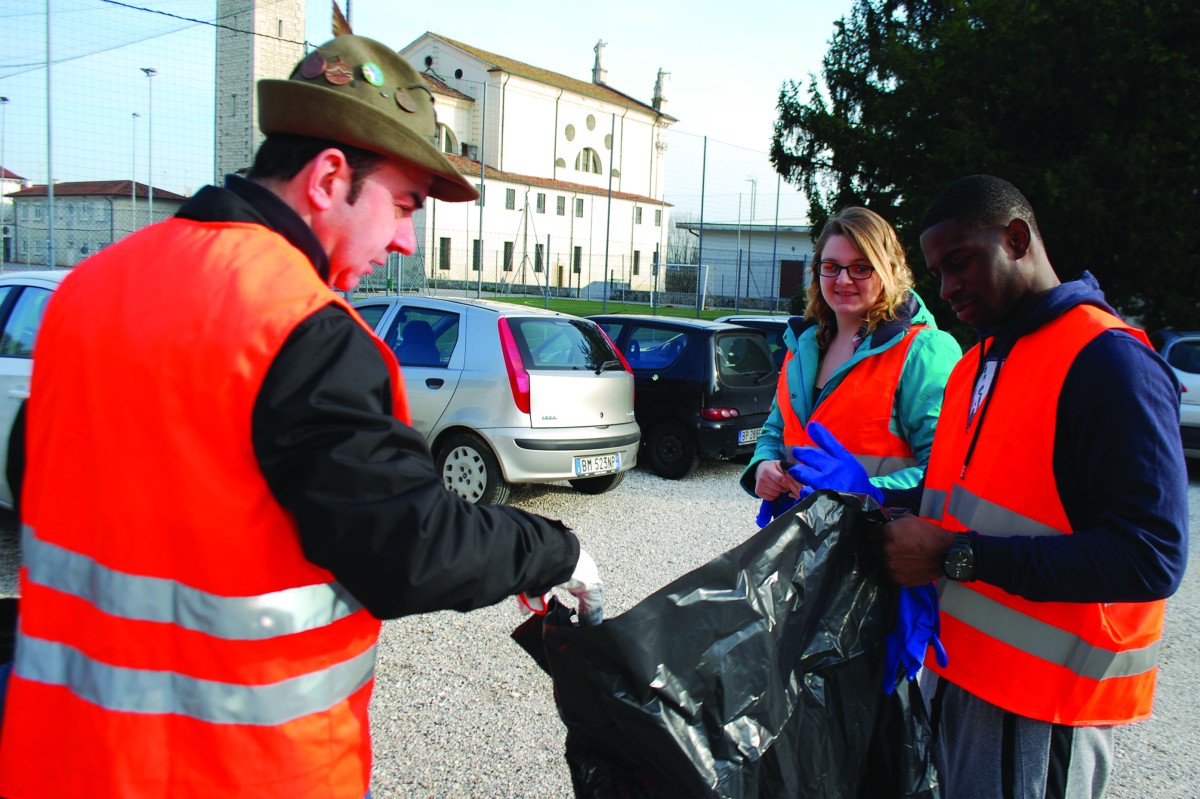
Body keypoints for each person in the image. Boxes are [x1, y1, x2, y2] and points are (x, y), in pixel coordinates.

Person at [0, 35, 602, 798]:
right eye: (405, 205)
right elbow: (407, 545)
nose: (405, 239)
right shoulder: (301, 329)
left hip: (59, 761)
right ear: (328, 178)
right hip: (238, 772)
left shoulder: (88, 290)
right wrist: (553, 549)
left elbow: (38, 484)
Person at [871, 175, 1188, 798]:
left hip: (1045, 710)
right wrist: (865, 502)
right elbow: (967, 496)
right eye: (937, 272)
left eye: (960, 261)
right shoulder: (976, 362)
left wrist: (955, 556)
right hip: (959, 677)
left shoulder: (1109, 361)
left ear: (1017, 239)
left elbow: (1152, 556)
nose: (947, 288)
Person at [740, 206, 961, 514]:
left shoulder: (923, 351)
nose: (843, 280)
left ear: (888, 270)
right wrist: (763, 464)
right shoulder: (803, 344)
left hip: (877, 533)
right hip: (802, 527)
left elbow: (945, 471)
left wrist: (865, 491)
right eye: (831, 266)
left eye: (860, 268)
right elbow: (776, 428)